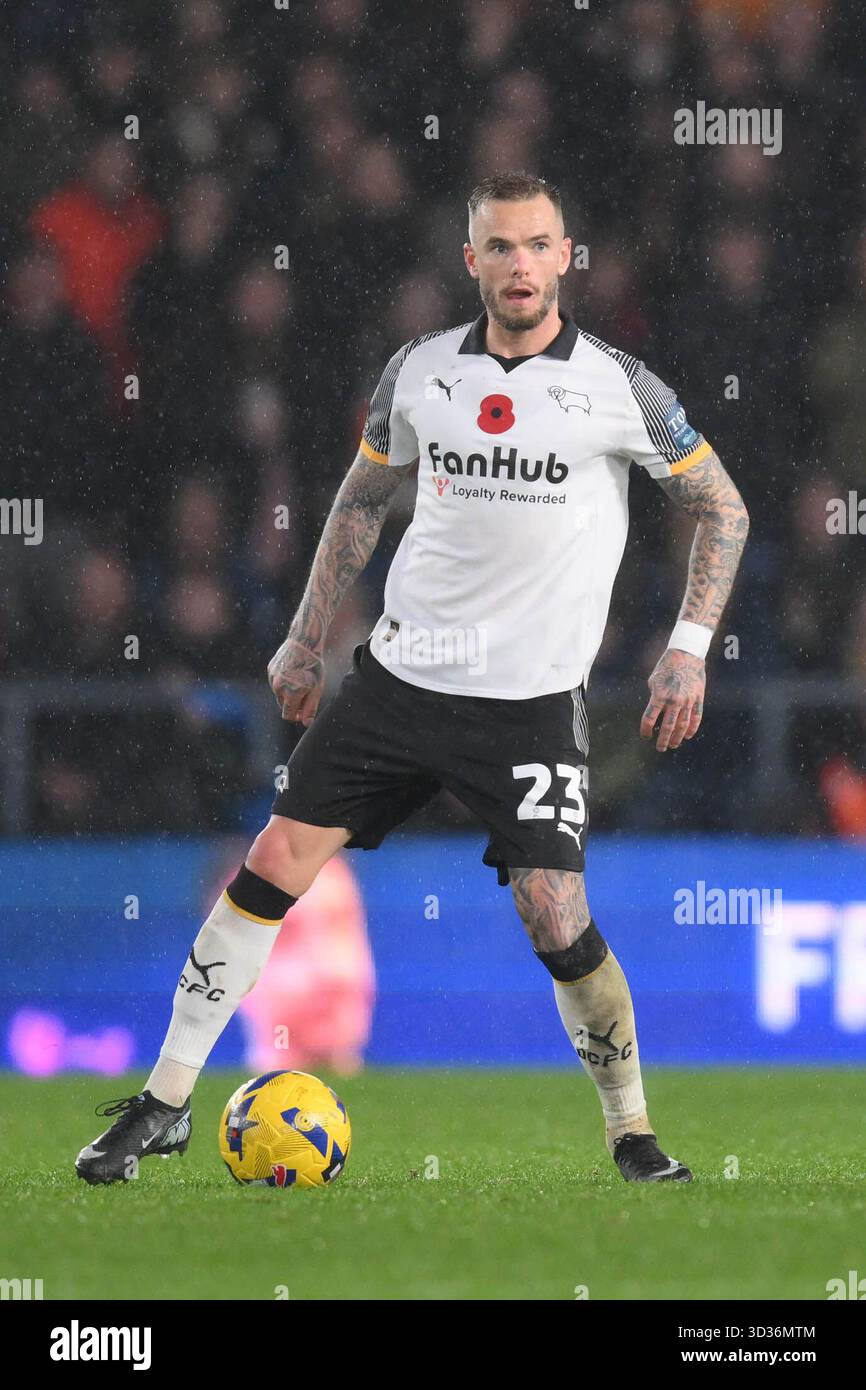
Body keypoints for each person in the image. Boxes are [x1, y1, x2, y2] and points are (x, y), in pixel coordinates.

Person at [77, 172, 749, 1185]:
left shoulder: (621, 387)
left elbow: (722, 509)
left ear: (566, 258)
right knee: (271, 860)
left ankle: (630, 1131)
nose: (519, 264)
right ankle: (164, 1102)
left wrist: (687, 647)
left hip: (527, 704)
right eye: (498, 247)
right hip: (398, 681)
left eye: (536, 245)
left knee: (552, 911)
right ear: (469, 260)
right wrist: (306, 641)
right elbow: (357, 503)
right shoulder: (419, 372)